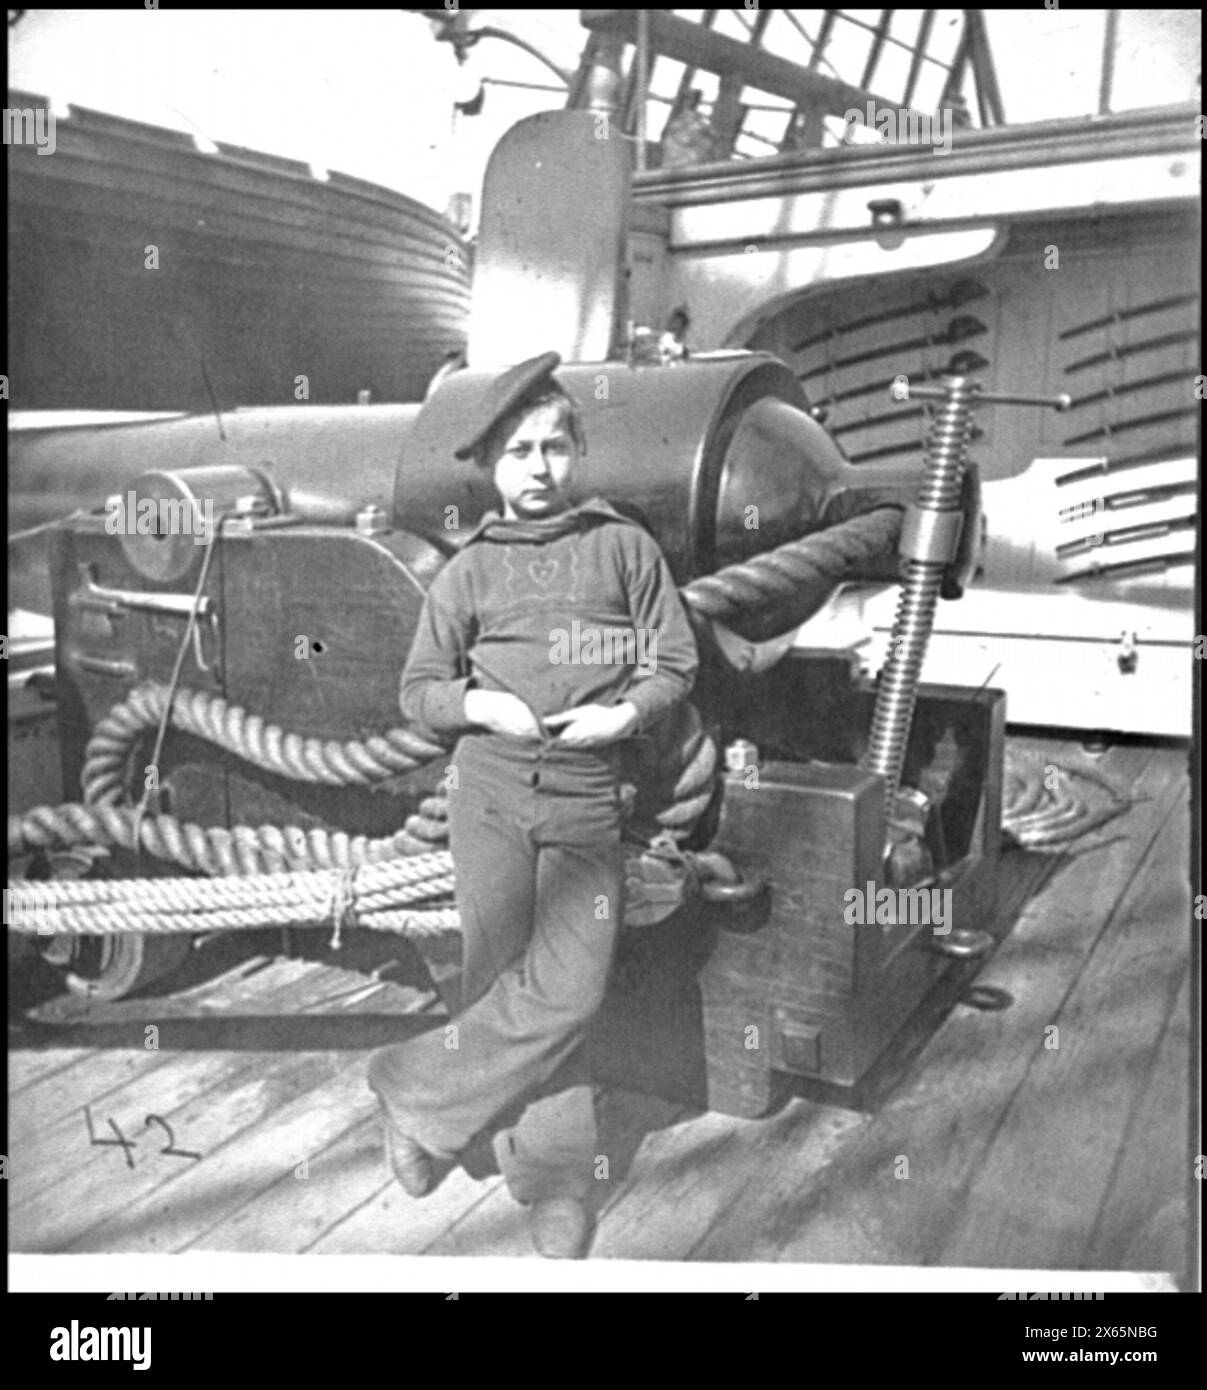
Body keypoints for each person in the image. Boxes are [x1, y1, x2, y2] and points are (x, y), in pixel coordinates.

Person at [367, 351, 699, 1258]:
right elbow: (419, 690)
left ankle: (414, 1091)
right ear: (491, 468)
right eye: (520, 452)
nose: (540, 467)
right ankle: (549, 1180)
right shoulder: (469, 569)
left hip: (589, 794)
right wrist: (482, 705)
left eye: (555, 446)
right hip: (491, 794)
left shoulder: (623, 547)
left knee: (569, 990)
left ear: (577, 452)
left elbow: (673, 661)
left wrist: (623, 713)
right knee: (496, 979)